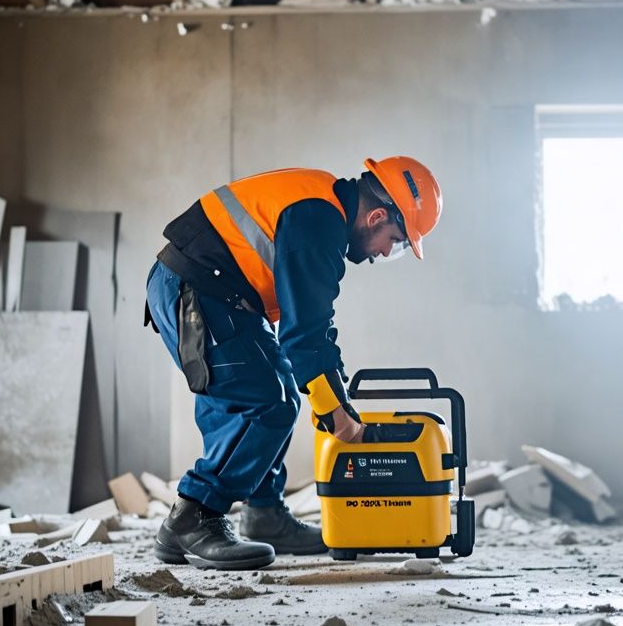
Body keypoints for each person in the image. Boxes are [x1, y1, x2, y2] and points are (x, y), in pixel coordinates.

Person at [144, 157, 442, 570]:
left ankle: (264, 513)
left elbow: (314, 324)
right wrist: (336, 414)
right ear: (376, 216)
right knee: (269, 402)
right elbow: (304, 333)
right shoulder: (319, 222)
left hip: (214, 292)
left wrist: (334, 392)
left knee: (272, 386)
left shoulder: (322, 203)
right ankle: (193, 515)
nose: (383, 253)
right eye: (395, 241)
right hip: (196, 291)